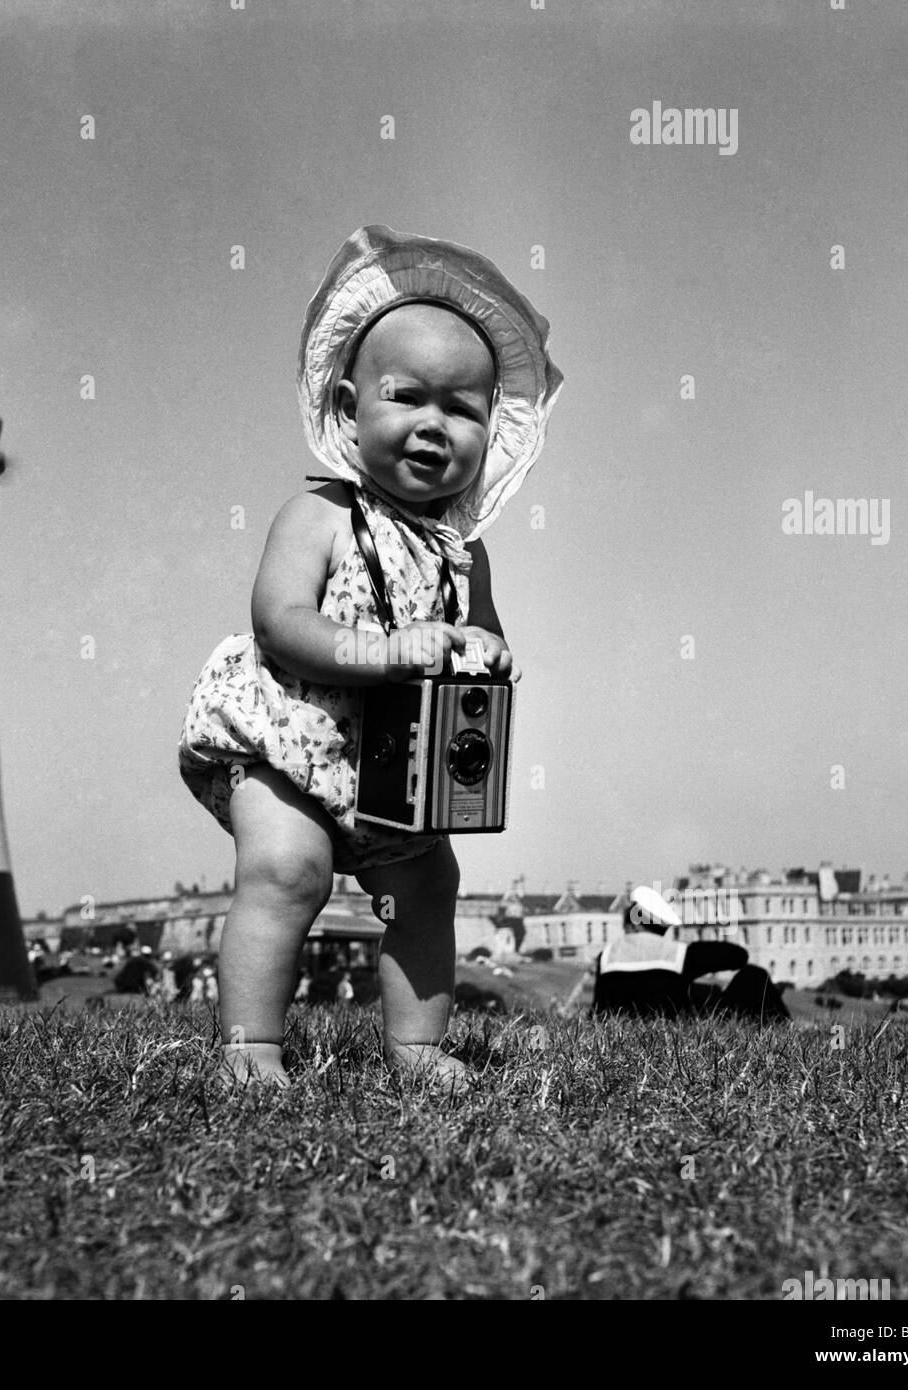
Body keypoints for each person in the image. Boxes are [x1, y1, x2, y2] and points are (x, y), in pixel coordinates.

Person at [178, 225, 562, 1088]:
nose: (434, 425)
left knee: (429, 885)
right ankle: (249, 1049)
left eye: (461, 410)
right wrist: (383, 651)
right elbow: (280, 621)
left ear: (488, 433)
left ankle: (418, 1049)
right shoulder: (317, 513)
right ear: (350, 412)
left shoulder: (464, 554)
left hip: (398, 766)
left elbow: (483, 633)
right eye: (408, 399)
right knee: (287, 872)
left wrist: (486, 658)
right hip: (291, 740)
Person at [593, 893, 789, 1022]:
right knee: (755, 976)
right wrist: (695, 951)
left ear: (633, 925)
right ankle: (784, 1030)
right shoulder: (678, 953)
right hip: (679, 1023)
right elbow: (739, 956)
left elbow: (599, 1008)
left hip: (629, 1025)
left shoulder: (607, 956)